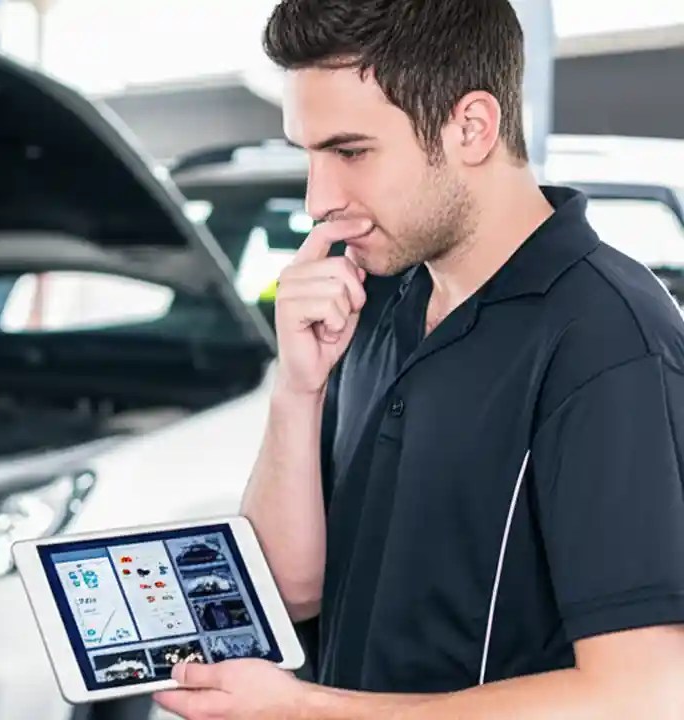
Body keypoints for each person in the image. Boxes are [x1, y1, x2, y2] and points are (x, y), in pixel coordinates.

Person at [153, 0, 684, 718]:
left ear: (472, 127)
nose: (318, 201)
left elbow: (642, 695)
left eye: (349, 153)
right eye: (307, 156)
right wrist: (298, 391)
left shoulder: (606, 338)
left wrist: (303, 711)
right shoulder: (370, 303)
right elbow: (288, 593)